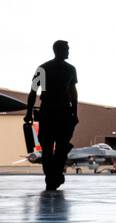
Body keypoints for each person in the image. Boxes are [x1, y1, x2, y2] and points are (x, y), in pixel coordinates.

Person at [26, 40, 79, 192]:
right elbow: (72, 93)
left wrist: (29, 112)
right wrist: (74, 113)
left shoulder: (43, 68)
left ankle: (52, 177)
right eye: (67, 49)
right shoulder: (69, 69)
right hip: (62, 112)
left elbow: (33, 93)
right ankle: (54, 176)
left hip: (48, 112)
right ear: (60, 50)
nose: (69, 51)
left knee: (48, 148)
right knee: (60, 147)